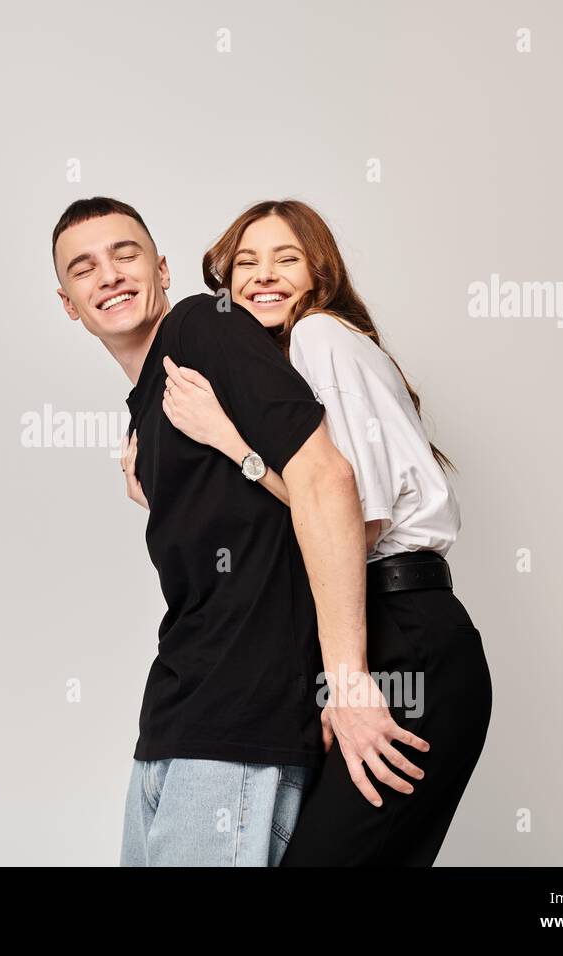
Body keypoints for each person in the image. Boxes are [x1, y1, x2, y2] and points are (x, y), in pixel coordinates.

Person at [52, 197, 426, 866]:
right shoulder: (145, 413)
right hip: (172, 716)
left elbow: (327, 483)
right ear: (69, 303)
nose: (108, 275)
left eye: (125, 254)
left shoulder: (206, 327)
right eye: (85, 268)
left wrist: (346, 681)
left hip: (240, 721)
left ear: (162, 269)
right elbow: (267, 521)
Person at [125, 199, 493, 865]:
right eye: (246, 262)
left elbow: (349, 514)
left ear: (320, 274)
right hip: (369, 632)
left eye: (286, 259)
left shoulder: (320, 336)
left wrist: (231, 442)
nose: (263, 276)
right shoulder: (290, 364)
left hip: (409, 631)